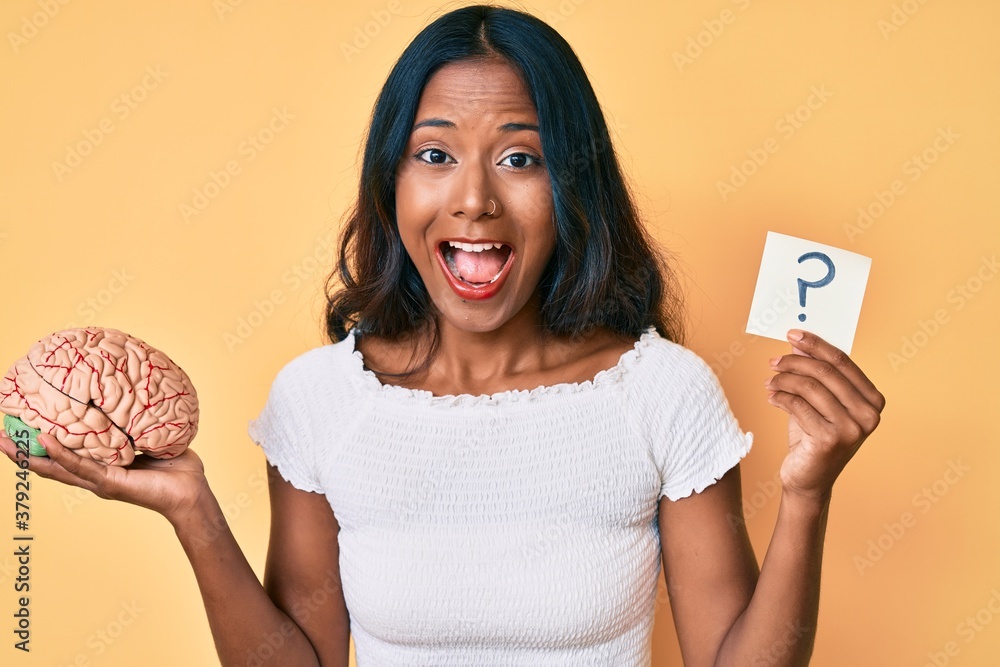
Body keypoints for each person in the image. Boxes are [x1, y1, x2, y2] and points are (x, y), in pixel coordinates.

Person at [0, 5, 884, 666]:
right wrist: (192, 512)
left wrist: (807, 495)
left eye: (520, 157)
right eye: (434, 154)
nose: (473, 199)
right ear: (391, 183)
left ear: (572, 187)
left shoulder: (664, 392)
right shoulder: (319, 400)